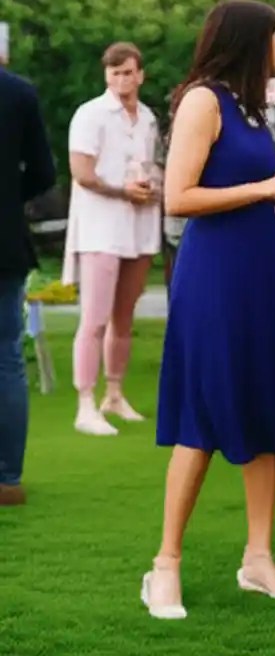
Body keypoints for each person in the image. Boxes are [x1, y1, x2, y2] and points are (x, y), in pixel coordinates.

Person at [145, 0, 275, 620]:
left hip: (264, 268)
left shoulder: (258, 108)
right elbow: (179, 196)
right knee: (204, 409)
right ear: (254, 39)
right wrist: (268, 187)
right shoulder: (203, 100)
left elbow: (253, 190)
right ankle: (165, 564)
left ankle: (259, 558)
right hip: (215, 275)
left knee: (264, 403)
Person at [64, 42, 162, 437]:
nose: (121, 79)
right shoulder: (90, 114)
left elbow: (152, 167)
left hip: (139, 226)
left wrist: (153, 188)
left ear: (140, 75)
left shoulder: (149, 119)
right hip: (100, 227)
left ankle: (114, 393)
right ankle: (85, 402)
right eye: (114, 72)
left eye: (127, 72)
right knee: (95, 319)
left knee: (125, 317)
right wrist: (125, 192)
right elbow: (82, 173)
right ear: (107, 75)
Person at [0, 59, 56, 507]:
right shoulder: (19, 92)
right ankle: (7, 478)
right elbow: (43, 172)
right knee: (7, 358)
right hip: (5, 241)